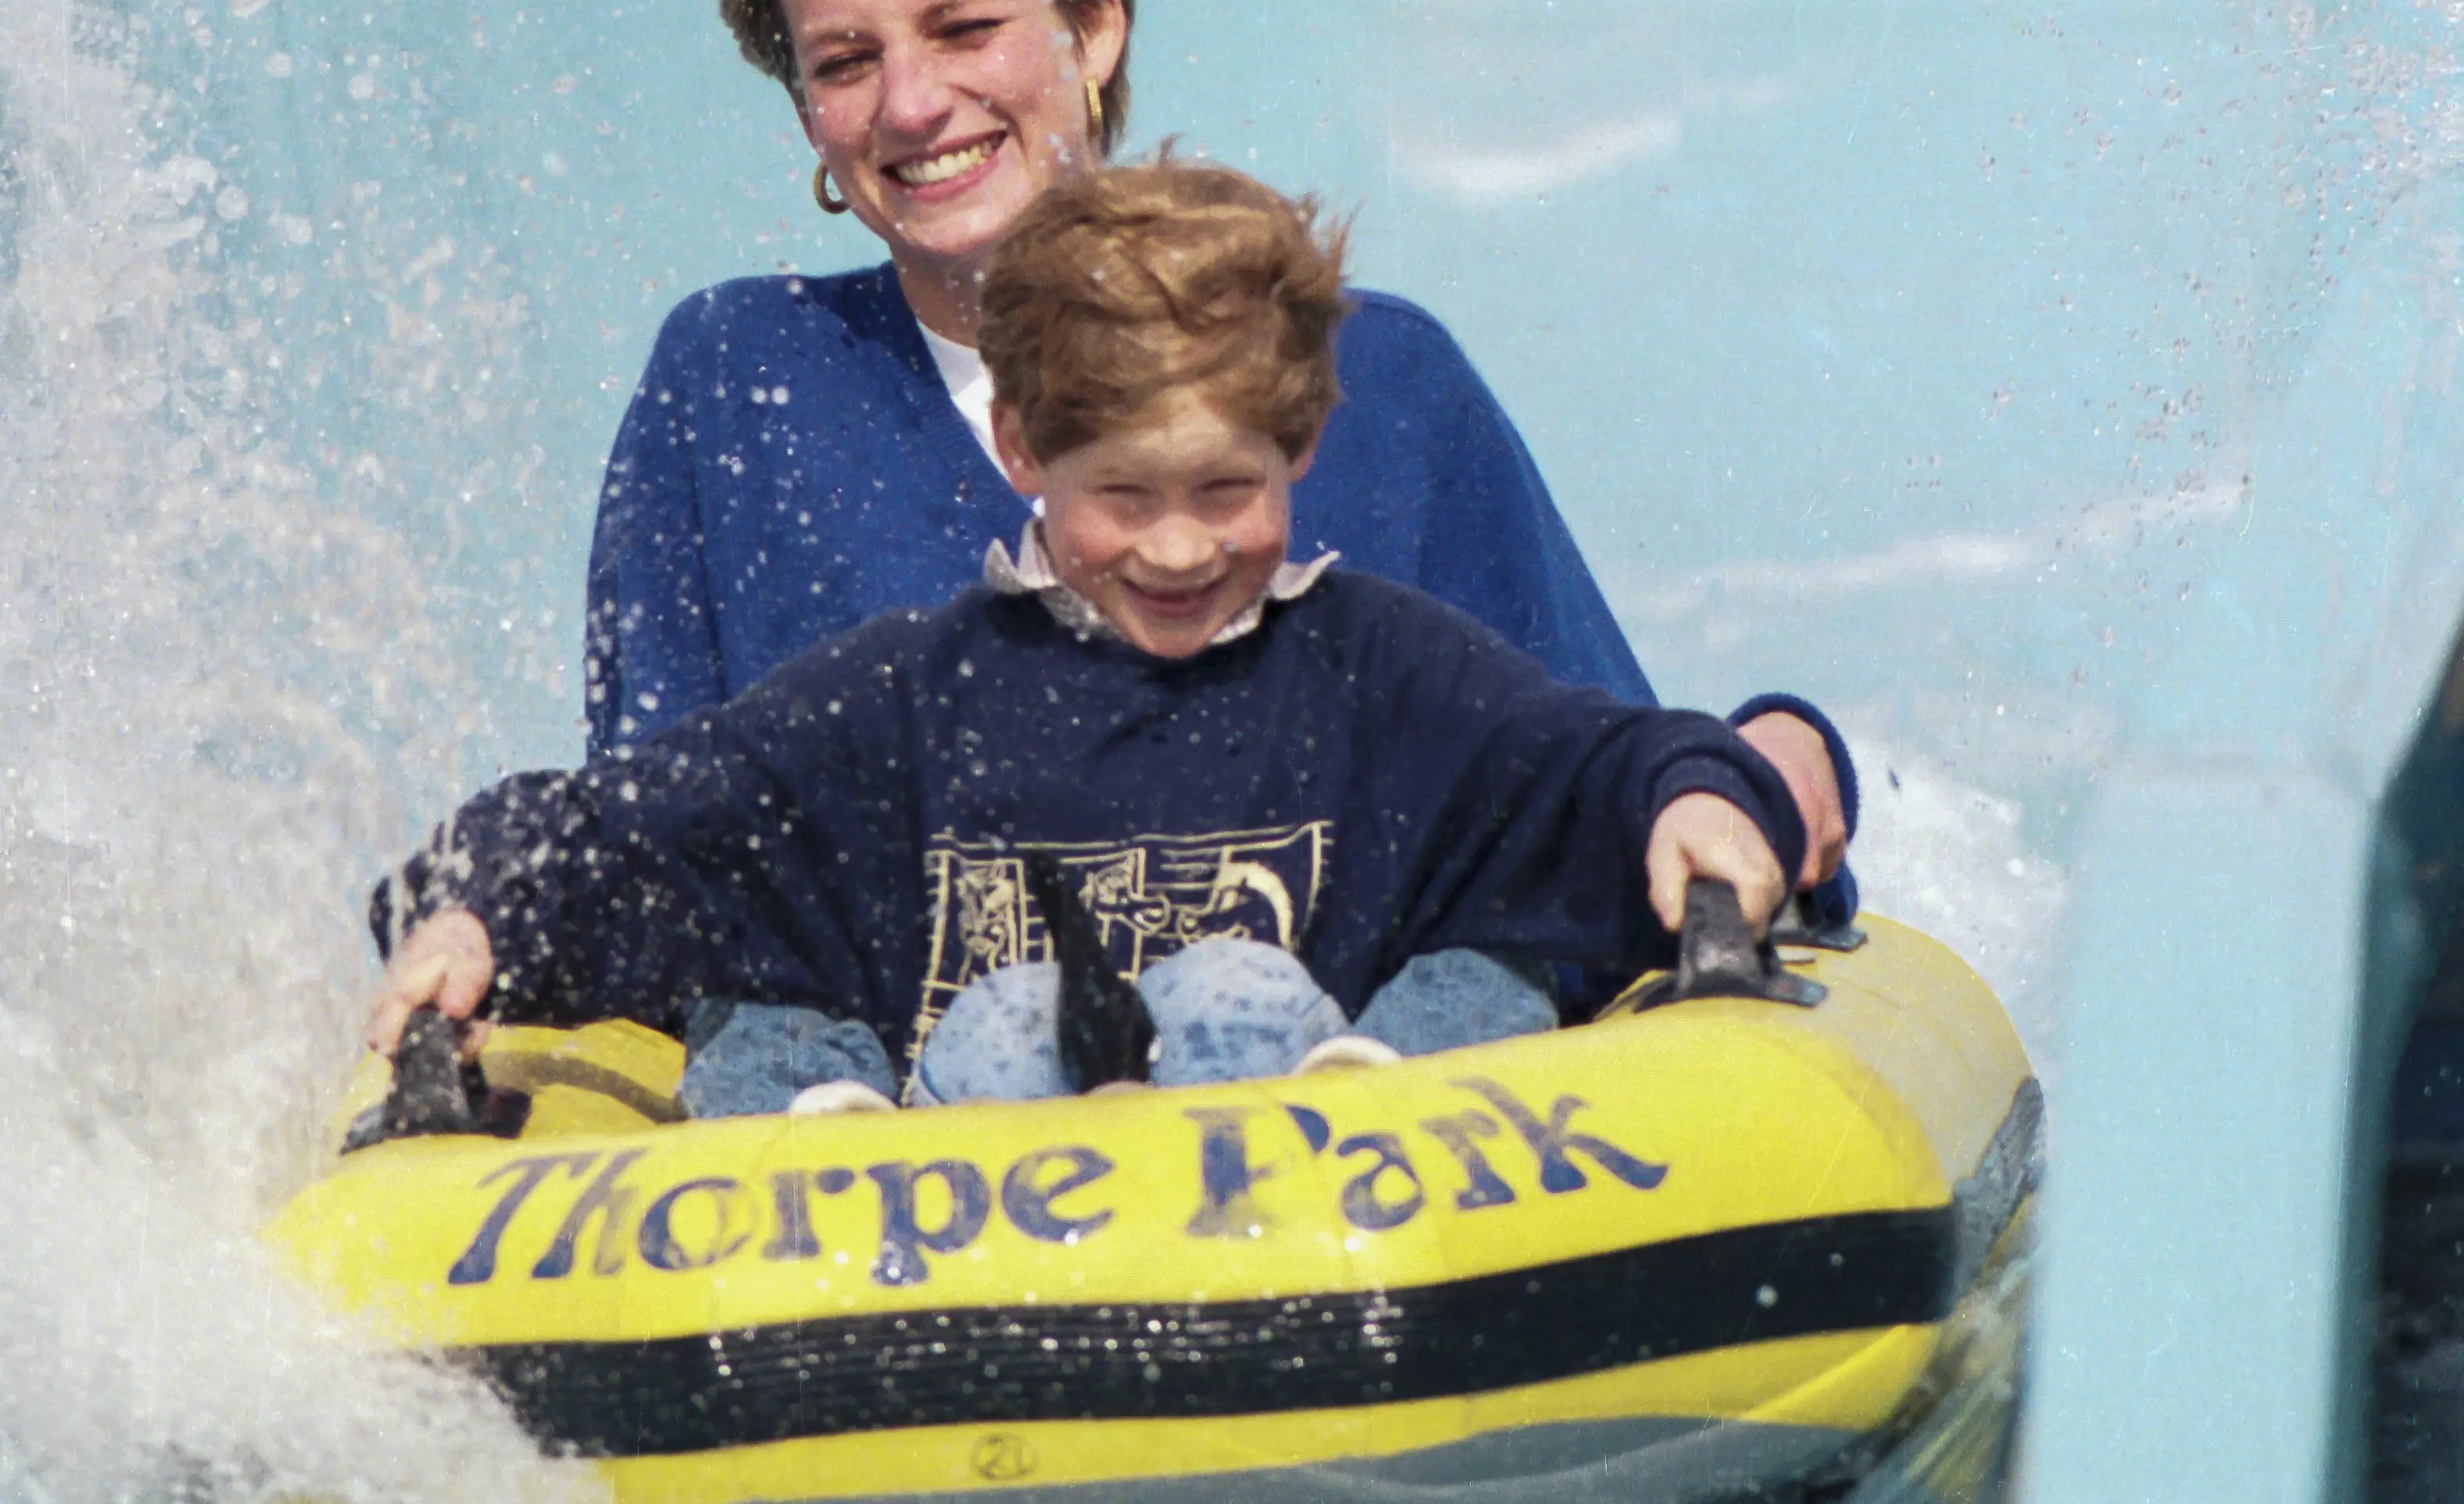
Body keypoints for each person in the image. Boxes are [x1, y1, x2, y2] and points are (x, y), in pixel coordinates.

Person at [584, 0, 1854, 914]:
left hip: (1350, 1108)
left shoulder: (1378, 380)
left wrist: (1778, 757)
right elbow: (651, 835)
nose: (911, 105)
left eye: (964, 29)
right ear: (804, 107)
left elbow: (1595, 791)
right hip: (870, 1121)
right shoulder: (736, 382)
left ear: (1091, 28)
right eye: (847, 63)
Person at [369, 164, 1850, 1115]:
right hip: (962, 1230)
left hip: (1333, 1209)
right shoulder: (913, 699)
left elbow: (1592, 768)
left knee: (1461, 977)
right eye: (1123, 497)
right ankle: (816, 1152)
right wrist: (467, 908)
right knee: (793, 1009)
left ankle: (1380, 1093)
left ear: (1307, 446)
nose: (1182, 547)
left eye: (1230, 491)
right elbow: (637, 825)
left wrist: (1717, 792)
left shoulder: (1377, 671)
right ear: (1021, 449)